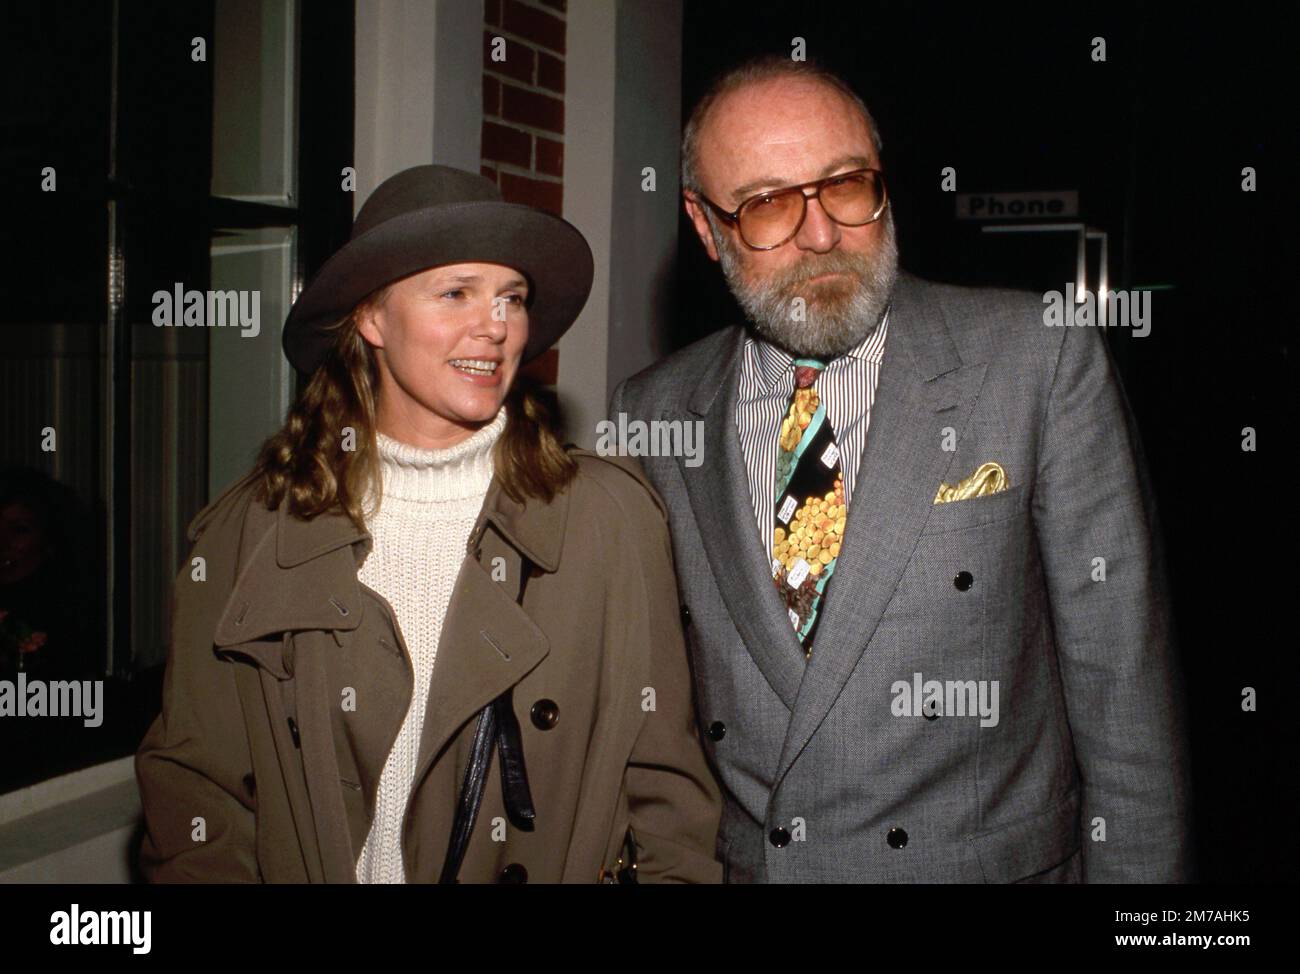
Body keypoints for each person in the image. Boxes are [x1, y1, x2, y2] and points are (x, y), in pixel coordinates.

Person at [610, 55, 1191, 882]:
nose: (821, 234)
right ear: (705, 227)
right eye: (769, 204)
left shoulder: (1034, 358)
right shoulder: (652, 414)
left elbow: (1125, 699)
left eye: (846, 184)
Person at [135, 164, 722, 883]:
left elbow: (668, 799)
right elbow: (197, 800)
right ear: (371, 317)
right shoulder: (252, 532)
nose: (497, 327)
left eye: (513, 298)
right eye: (456, 294)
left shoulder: (608, 519)